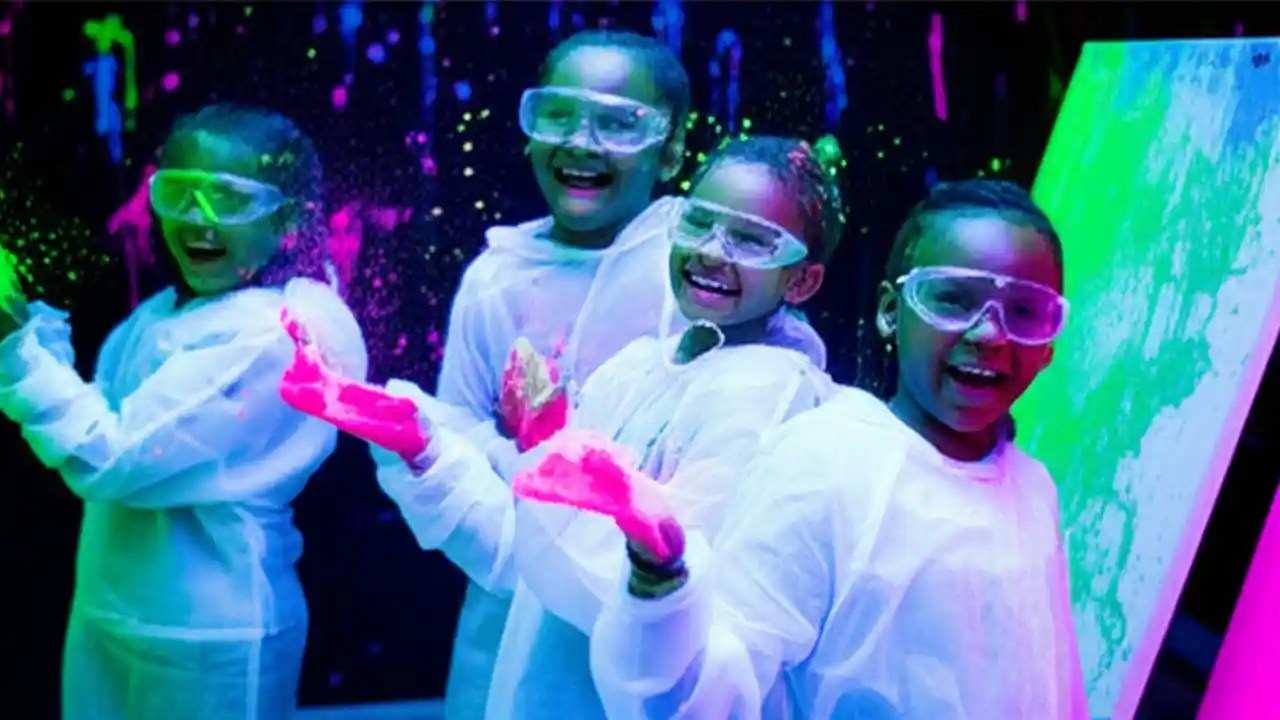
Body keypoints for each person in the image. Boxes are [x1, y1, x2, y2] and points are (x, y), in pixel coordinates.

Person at [370, 134, 846, 719]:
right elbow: (528, 563)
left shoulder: (771, 395)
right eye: (699, 222)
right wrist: (427, 458)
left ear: (801, 281)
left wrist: (560, 466)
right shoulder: (638, 368)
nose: (712, 252)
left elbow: (656, 605)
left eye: (751, 239)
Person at [589, 179, 1089, 719]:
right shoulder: (826, 457)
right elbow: (714, 687)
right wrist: (660, 586)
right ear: (892, 312)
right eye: (952, 300)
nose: (990, 333)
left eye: (1024, 312)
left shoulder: (1033, 488)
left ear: (1050, 345)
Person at [0, 104, 367, 720]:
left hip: (213, 638)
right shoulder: (162, 314)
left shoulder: (268, 336)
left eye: (229, 198)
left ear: (288, 221)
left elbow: (110, 455)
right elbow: (100, 423)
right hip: (111, 609)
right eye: (179, 193)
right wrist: (29, 333)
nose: (199, 219)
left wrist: (17, 346)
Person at [417, 29, 692, 720]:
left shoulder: (692, 268)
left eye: (620, 123)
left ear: (673, 149)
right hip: (508, 594)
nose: (582, 142)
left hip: (646, 596)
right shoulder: (497, 277)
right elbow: (458, 428)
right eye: (560, 115)